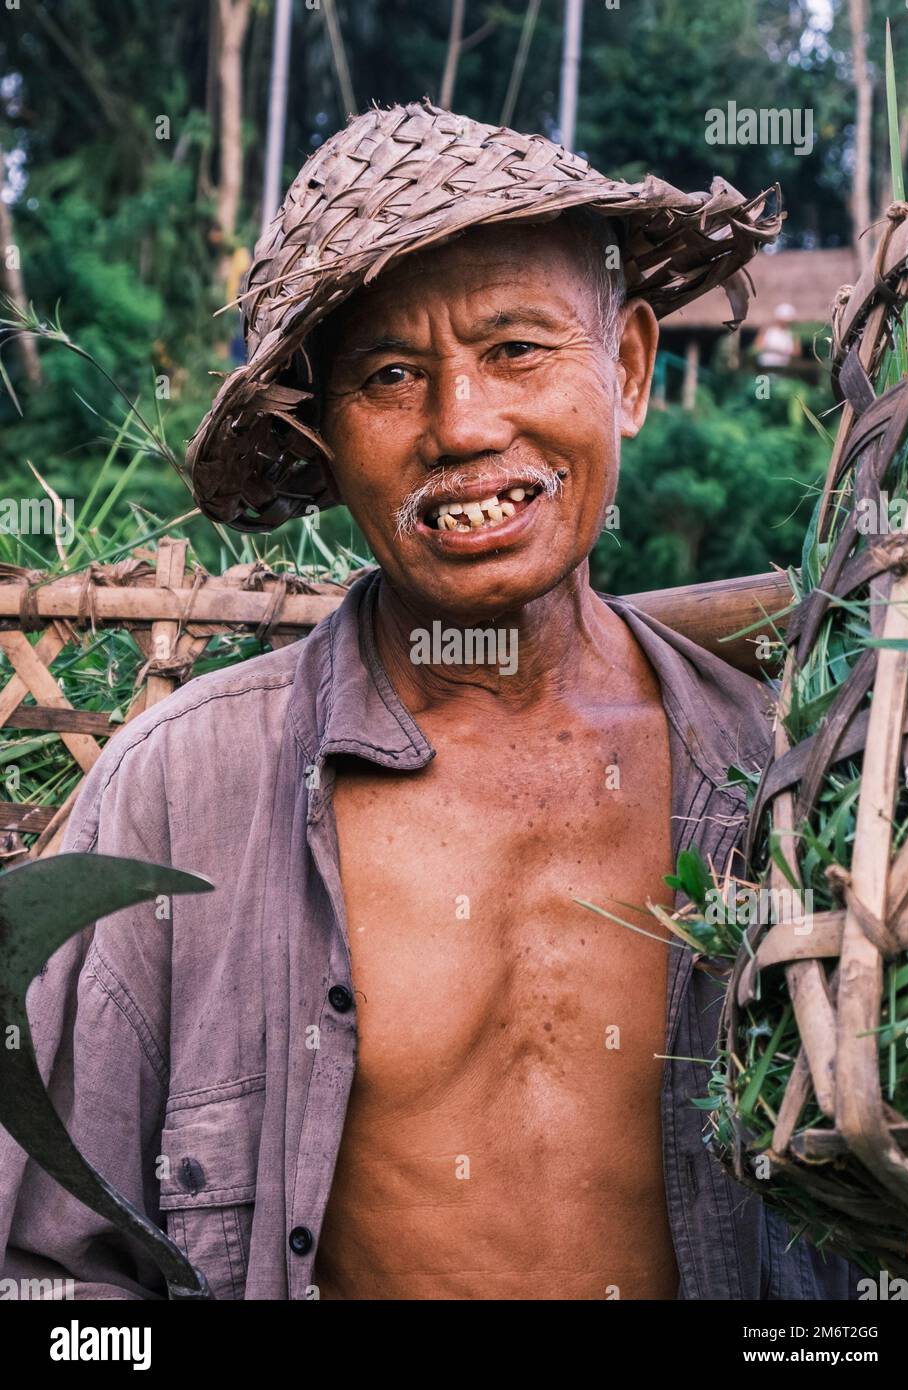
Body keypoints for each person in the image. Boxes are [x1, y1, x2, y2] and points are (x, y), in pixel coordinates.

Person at [0, 99, 860, 1300]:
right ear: (322, 439)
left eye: (516, 349)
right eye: (391, 375)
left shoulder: (792, 784)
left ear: (625, 369)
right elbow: (50, 1284)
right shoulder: (181, 796)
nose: (462, 424)